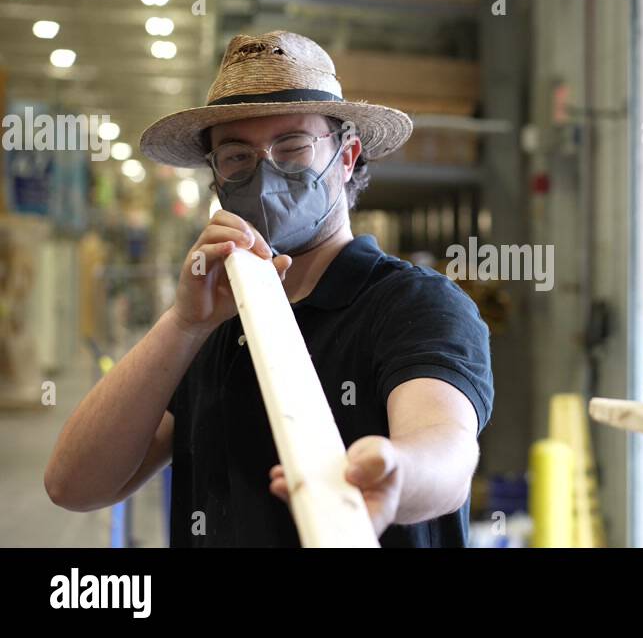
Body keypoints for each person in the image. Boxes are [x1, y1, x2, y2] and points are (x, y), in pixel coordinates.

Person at [44, 31, 494, 547]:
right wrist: (184, 322)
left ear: (346, 157)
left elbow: (446, 448)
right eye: (237, 157)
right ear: (216, 179)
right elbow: (73, 483)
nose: (265, 171)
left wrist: (396, 475)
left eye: (293, 146)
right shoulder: (212, 323)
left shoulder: (412, 304)